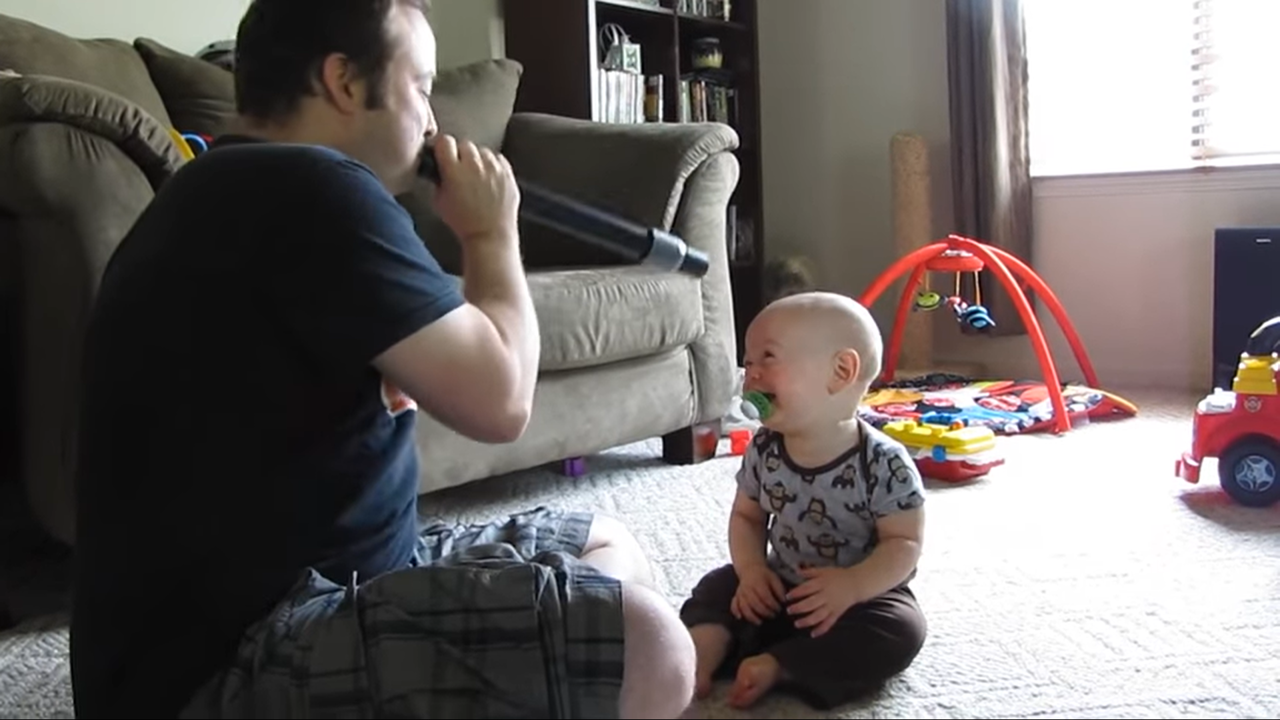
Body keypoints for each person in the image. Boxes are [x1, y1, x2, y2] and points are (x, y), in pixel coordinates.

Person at [67, 1, 696, 718]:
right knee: (649, 648)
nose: (432, 120)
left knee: (607, 545)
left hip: (351, 579)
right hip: (232, 660)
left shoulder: (227, 188)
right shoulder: (316, 188)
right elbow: (502, 402)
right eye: (421, 86)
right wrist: (491, 233)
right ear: (343, 81)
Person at [679, 291, 928, 710]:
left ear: (840, 372)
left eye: (768, 357)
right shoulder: (765, 448)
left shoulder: (884, 463)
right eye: (749, 362)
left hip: (857, 601)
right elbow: (747, 516)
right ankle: (701, 653)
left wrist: (853, 586)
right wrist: (753, 571)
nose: (750, 374)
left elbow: (904, 543)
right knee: (719, 586)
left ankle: (782, 666)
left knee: (901, 629)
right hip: (778, 586)